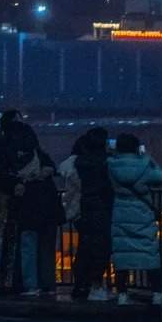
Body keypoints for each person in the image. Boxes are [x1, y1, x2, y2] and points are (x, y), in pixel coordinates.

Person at [107, 132, 162, 305]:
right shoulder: (144, 164)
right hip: (142, 213)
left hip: (120, 213)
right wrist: (147, 157)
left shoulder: (111, 165)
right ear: (136, 147)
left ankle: (122, 294)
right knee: (149, 253)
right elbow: (160, 177)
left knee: (122, 255)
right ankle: (157, 293)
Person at [0, 110, 38, 295]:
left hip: (2, 199)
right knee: (21, 240)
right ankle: (18, 280)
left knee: (0, 239)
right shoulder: (27, 145)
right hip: (23, 200)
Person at [69, 126, 113, 301]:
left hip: (83, 208)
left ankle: (80, 285)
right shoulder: (105, 163)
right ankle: (96, 285)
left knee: (84, 247)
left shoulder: (78, 163)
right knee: (101, 248)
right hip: (101, 207)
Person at [17, 145, 64, 297]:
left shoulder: (22, 174)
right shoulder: (46, 169)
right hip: (49, 214)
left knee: (28, 249)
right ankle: (49, 285)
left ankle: (31, 285)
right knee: (47, 250)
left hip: (29, 213)